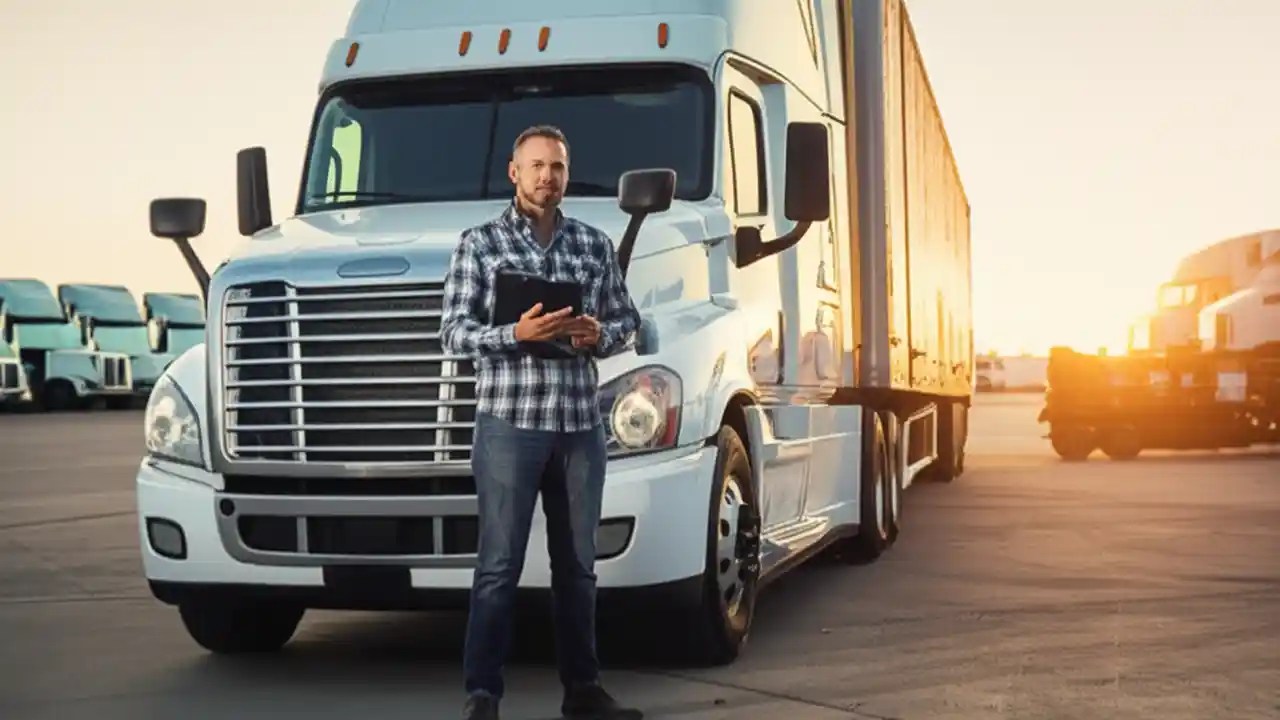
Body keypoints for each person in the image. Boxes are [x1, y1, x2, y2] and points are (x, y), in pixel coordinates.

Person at [440, 124, 645, 720]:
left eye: (556, 166)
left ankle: (583, 692)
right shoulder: (479, 245)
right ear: (514, 172)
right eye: (535, 166)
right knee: (498, 567)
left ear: (565, 172)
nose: (546, 177)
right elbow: (452, 333)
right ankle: (483, 697)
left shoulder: (592, 245)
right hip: (509, 426)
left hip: (580, 427)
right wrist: (516, 334)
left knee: (578, 568)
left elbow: (628, 320)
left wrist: (599, 334)